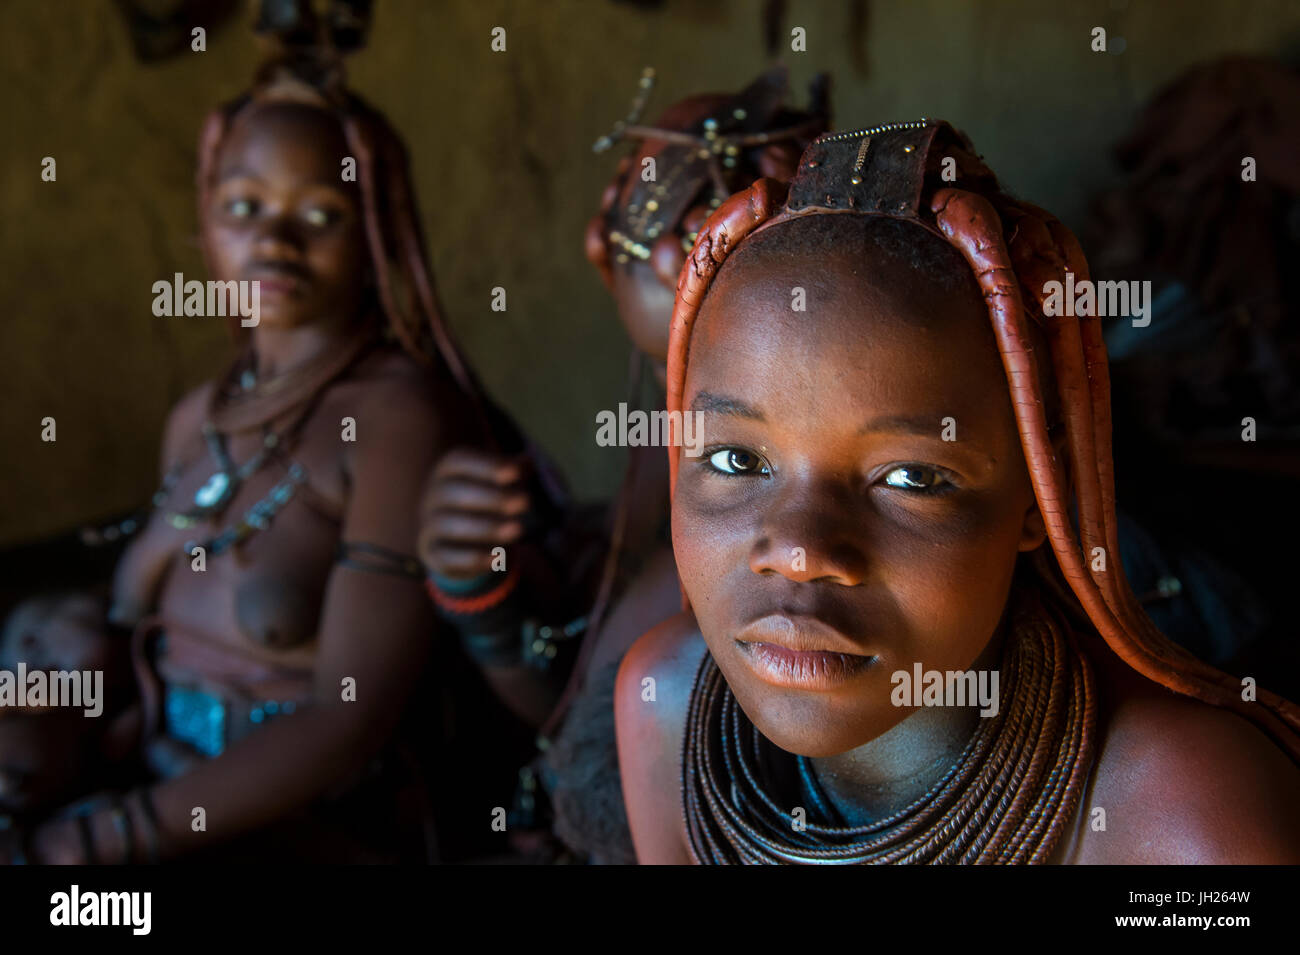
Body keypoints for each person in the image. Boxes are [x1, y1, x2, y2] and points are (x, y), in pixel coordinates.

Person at [615, 120, 1300, 864]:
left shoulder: (1179, 823)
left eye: (912, 477)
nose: (803, 550)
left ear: (1039, 493)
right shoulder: (669, 710)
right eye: (738, 459)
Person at [0, 6, 493, 864]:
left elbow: (353, 716)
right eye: (243, 204)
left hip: (313, 830)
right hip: (146, 791)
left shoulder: (397, 418)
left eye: (321, 214)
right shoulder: (199, 417)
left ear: (373, 233)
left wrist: (99, 840)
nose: (272, 237)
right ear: (206, 222)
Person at [419, 66, 827, 862]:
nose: (603, 231)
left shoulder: (776, 481)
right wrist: (483, 599)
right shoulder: (668, 448)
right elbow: (580, 712)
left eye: (652, 198)